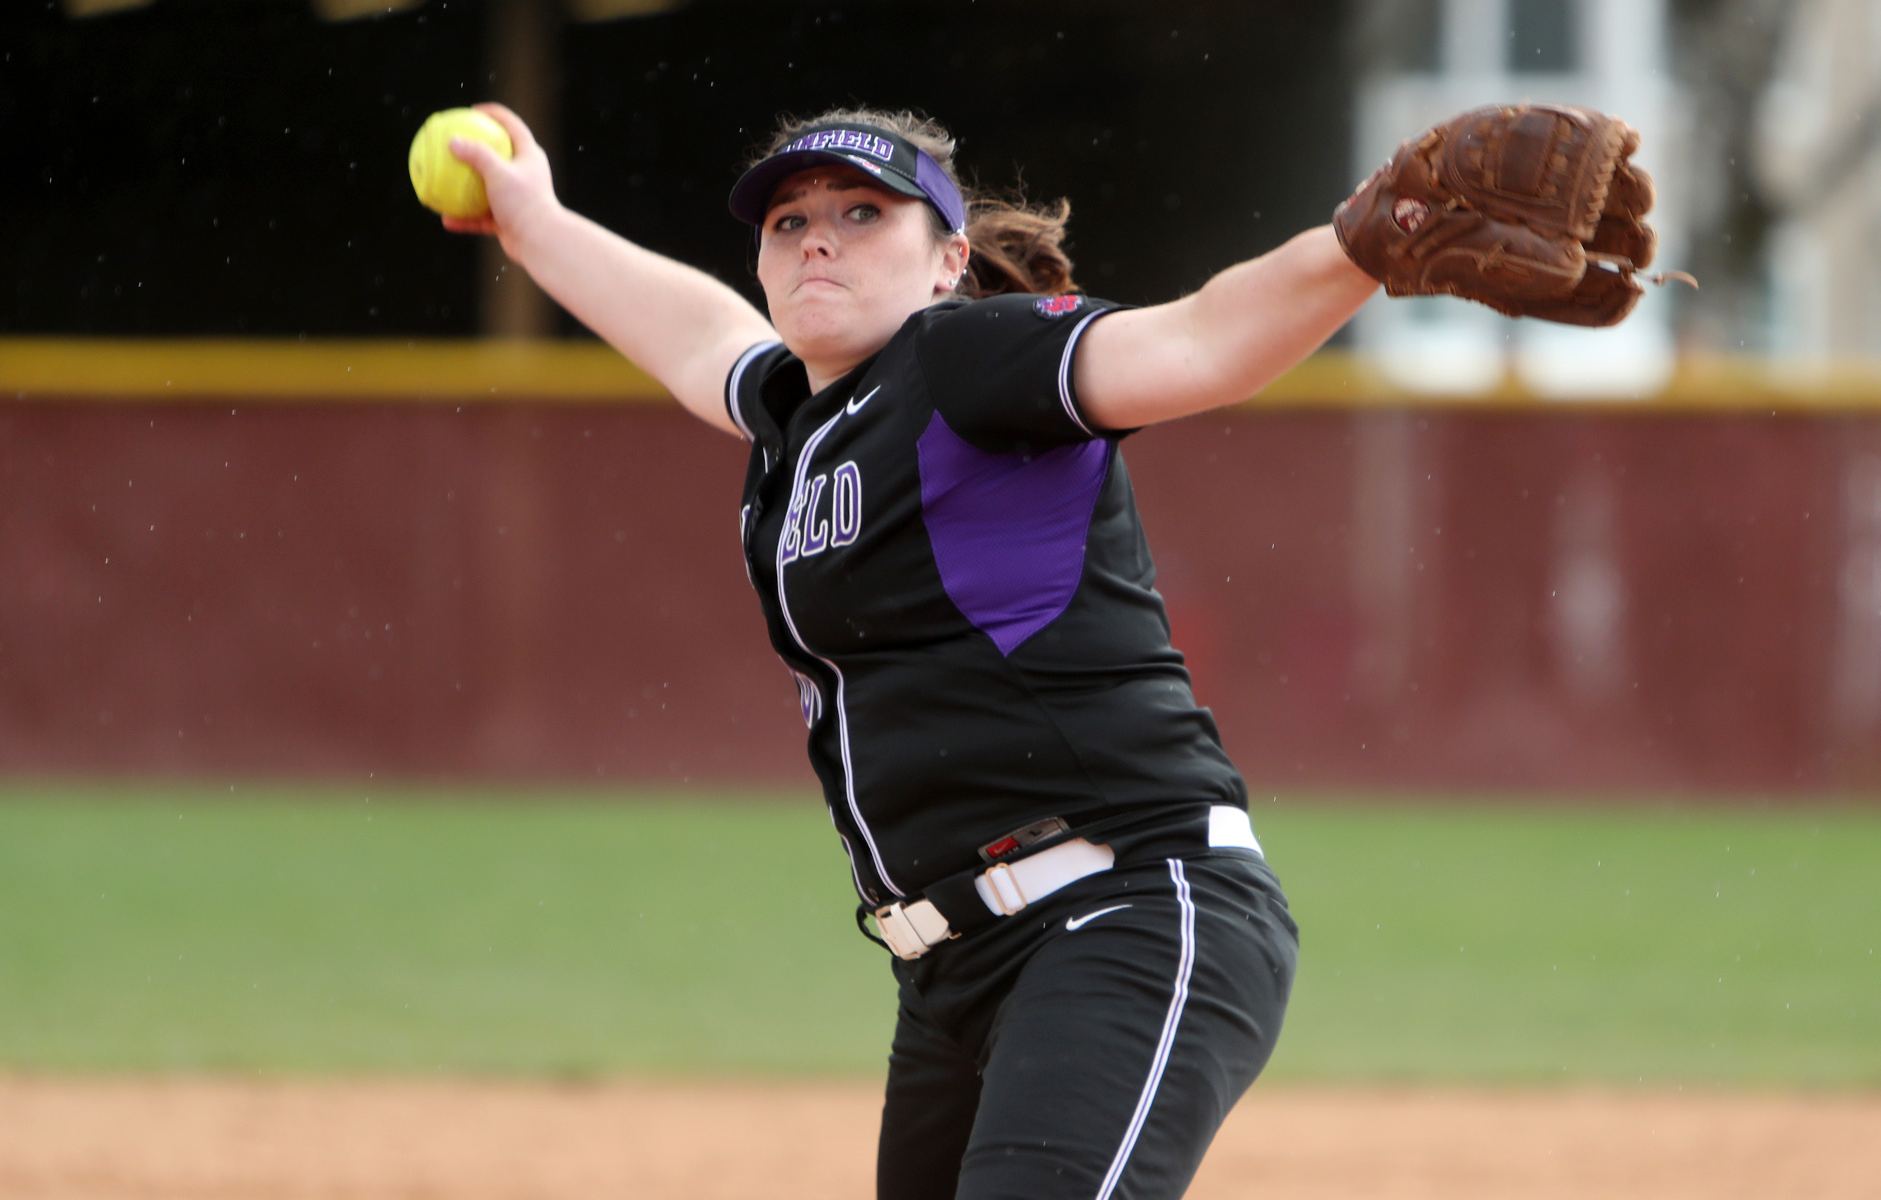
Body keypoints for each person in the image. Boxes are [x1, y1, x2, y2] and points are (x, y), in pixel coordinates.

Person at [443, 102, 1375, 1200]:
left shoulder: (970, 359)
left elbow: (1202, 340)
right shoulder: (794, 413)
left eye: (862, 211)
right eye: (787, 222)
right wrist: (535, 222)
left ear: (948, 261)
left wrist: (1370, 242)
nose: (816, 238)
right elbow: (700, 333)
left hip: (1125, 908)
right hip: (951, 972)